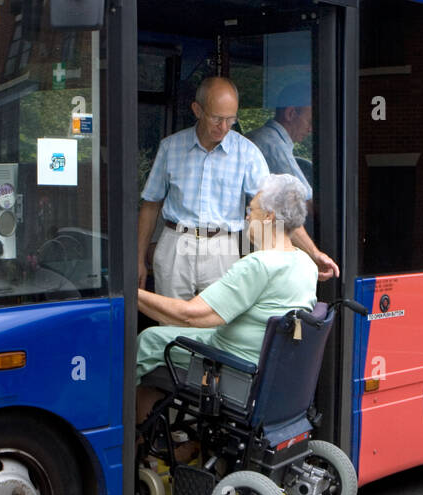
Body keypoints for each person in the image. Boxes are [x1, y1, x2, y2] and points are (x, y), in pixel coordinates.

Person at [135, 175, 319, 439]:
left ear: (268, 217)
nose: (246, 219)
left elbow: (190, 316)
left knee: (149, 339)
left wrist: (133, 296)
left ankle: (133, 442)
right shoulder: (305, 263)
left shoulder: (258, 265)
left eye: (250, 211)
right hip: (268, 367)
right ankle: (170, 443)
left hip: (233, 365)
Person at [138, 76, 337, 300]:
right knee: (168, 327)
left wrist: (313, 253)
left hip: (224, 246)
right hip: (176, 243)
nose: (223, 127)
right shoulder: (171, 147)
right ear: (197, 110)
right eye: (216, 118)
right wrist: (138, 260)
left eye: (230, 120)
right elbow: (150, 205)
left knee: (219, 329)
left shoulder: (248, 153)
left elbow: (274, 208)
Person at [247, 79, 313, 200]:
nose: (310, 129)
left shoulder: (261, 137)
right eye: (310, 121)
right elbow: (304, 200)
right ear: (290, 114)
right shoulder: (272, 145)